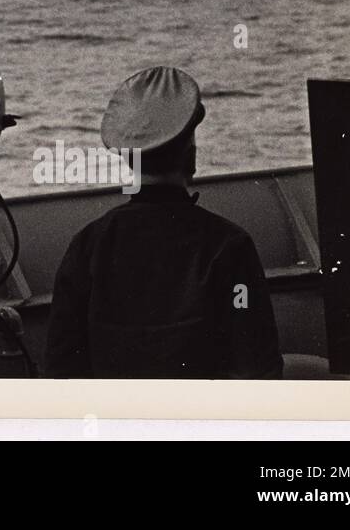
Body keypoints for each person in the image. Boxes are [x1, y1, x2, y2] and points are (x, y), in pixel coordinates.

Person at [45, 67, 283, 379]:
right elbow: (258, 367)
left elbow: (62, 368)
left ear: (129, 159)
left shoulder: (87, 246)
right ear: (191, 156)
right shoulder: (229, 247)